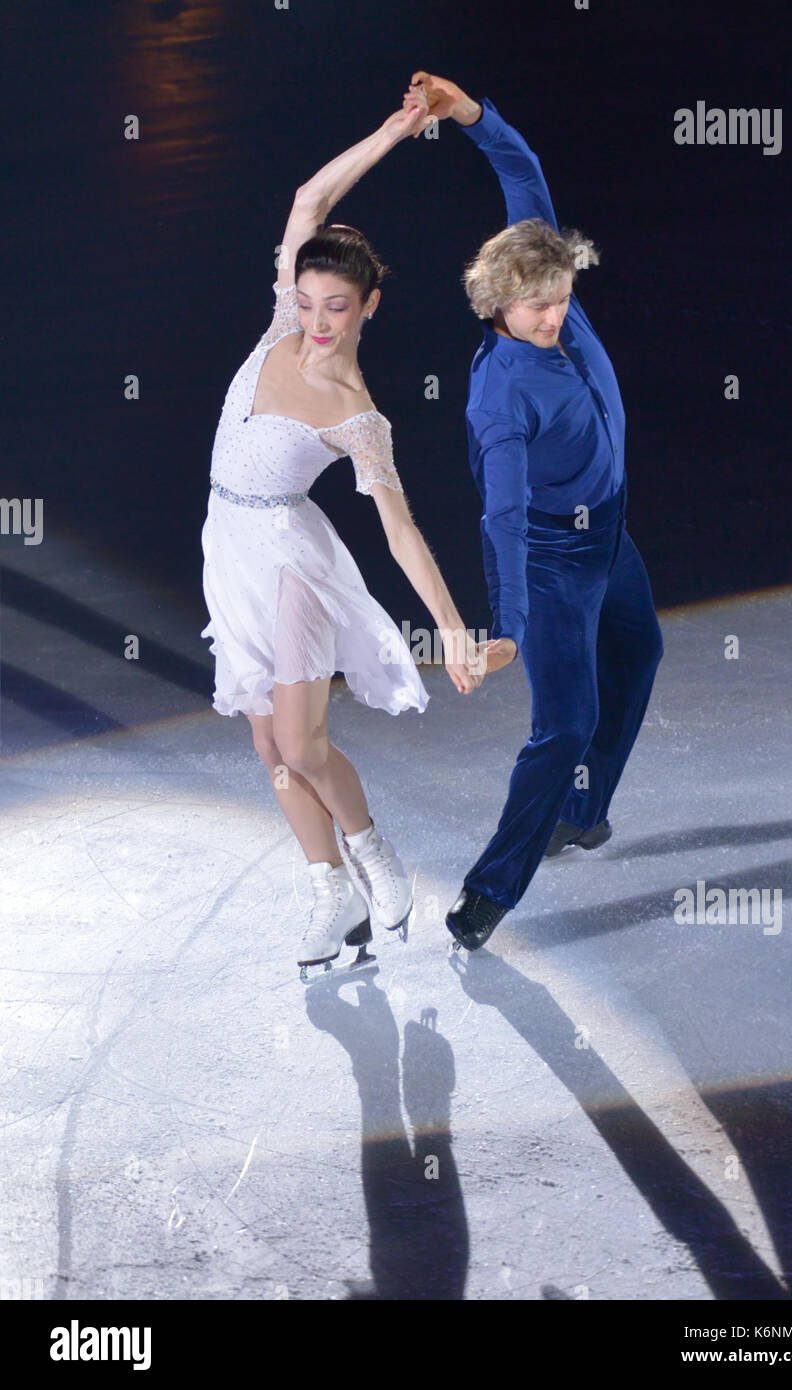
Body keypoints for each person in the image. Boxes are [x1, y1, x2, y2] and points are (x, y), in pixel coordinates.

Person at [200, 88, 488, 976]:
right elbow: (309, 204)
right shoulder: (283, 322)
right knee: (265, 745)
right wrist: (400, 130)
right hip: (228, 550)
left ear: (369, 309)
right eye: (309, 299)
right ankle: (334, 898)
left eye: (338, 307)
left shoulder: (354, 413)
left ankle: (371, 849)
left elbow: (400, 531)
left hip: (291, 564)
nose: (318, 321)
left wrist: (449, 629)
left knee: (301, 744)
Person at [404, 73, 664, 951]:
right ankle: (488, 893)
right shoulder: (499, 401)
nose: (555, 316)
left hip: (611, 535)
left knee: (641, 649)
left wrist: (468, 111)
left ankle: (584, 813)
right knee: (565, 726)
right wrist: (507, 620)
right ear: (498, 305)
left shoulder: (550, 289)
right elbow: (502, 519)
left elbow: (523, 171)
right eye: (538, 305)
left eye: (560, 297)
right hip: (553, 560)